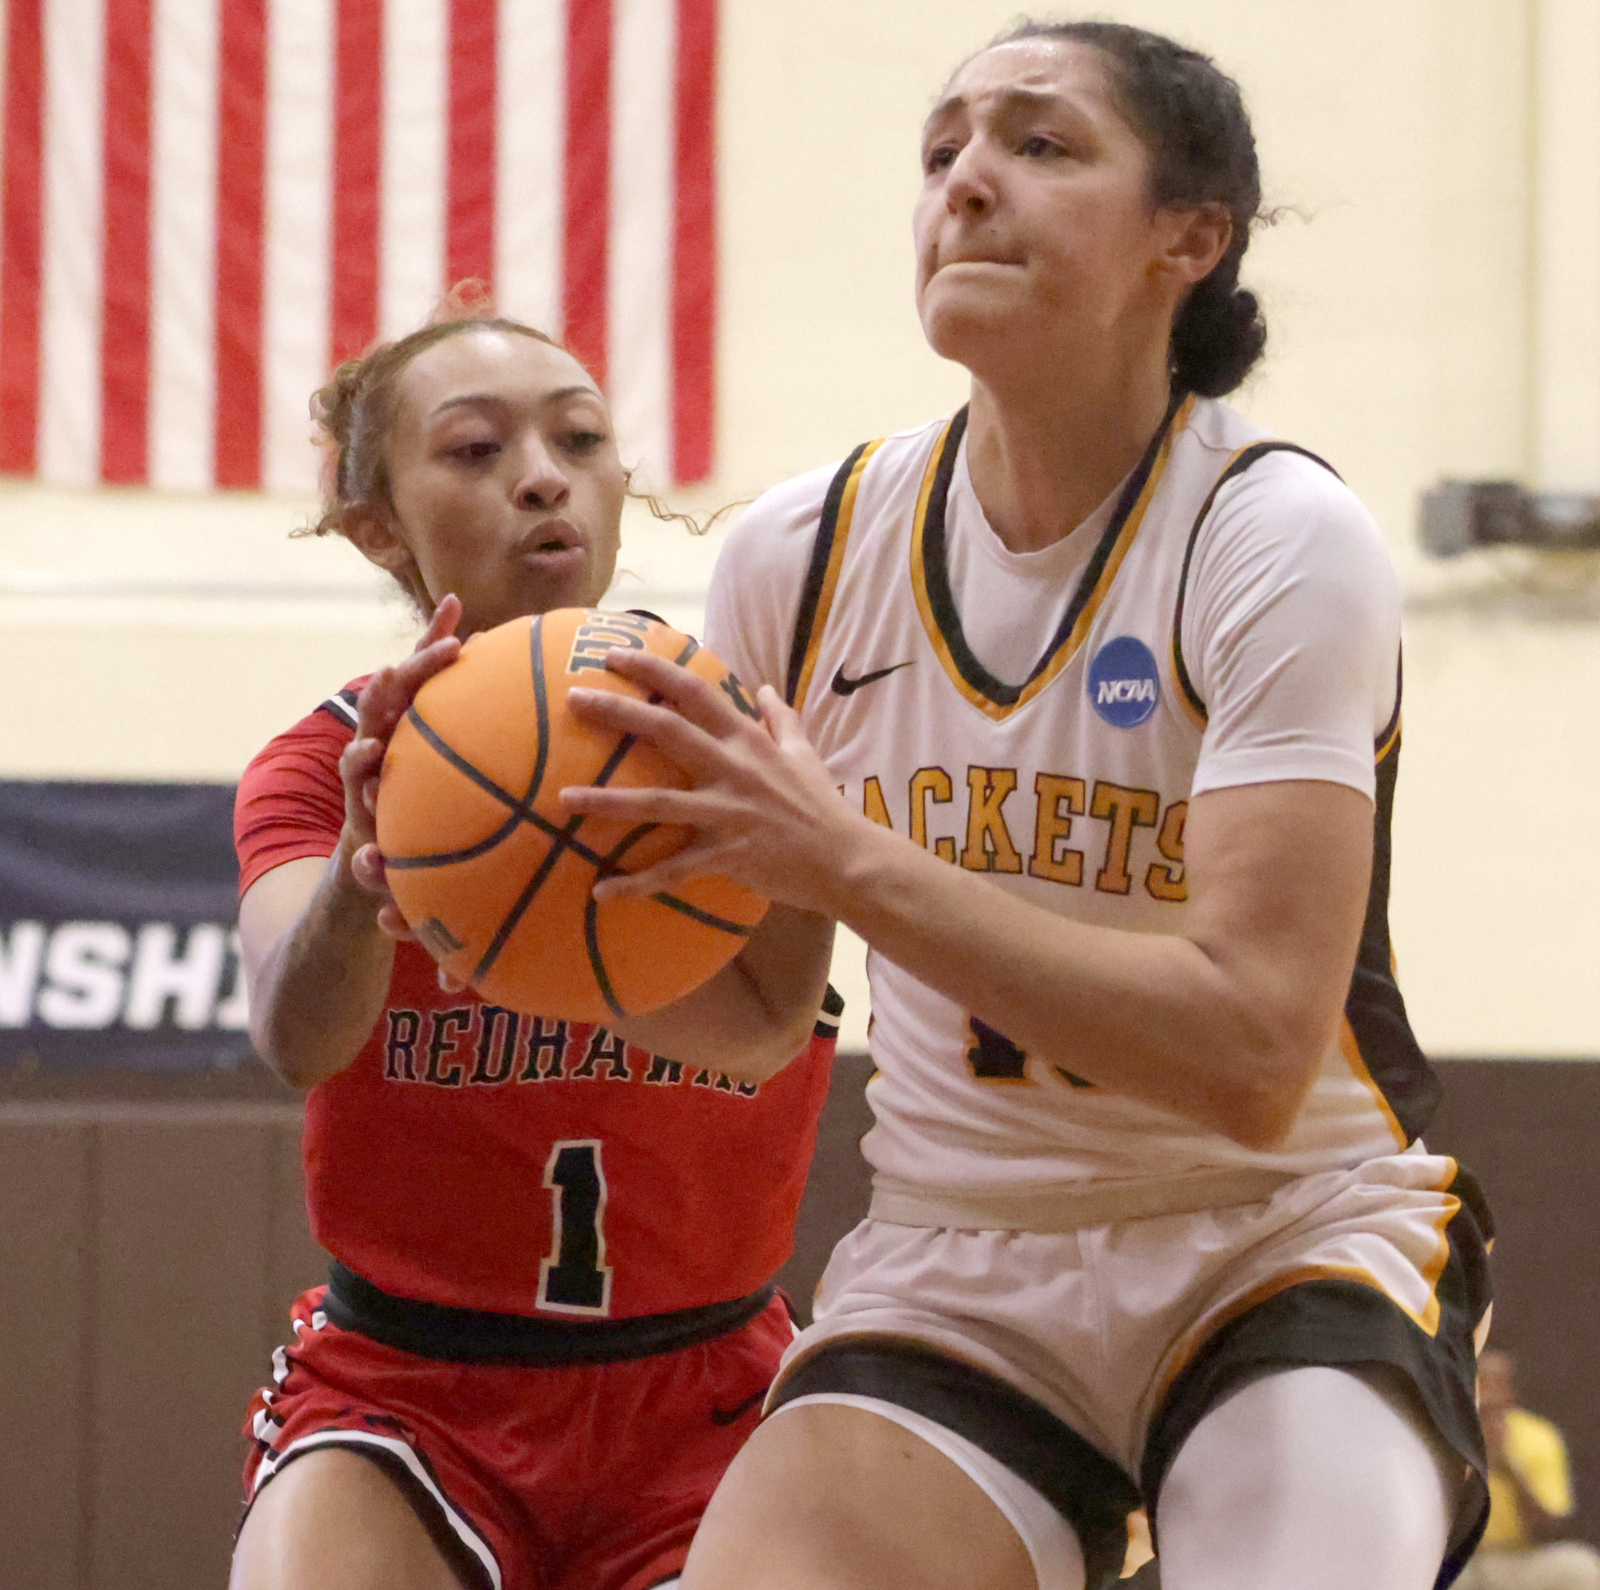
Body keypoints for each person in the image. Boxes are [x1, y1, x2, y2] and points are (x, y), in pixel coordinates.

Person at [557, 19, 1493, 1590]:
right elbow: (759, 1002)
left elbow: (1254, 1052)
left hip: (1284, 1232)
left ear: (1188, 237)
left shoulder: (1275, 538)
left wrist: (850, 858)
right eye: (941, 152)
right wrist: (520, 894)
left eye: (1040, 146)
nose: (967, 183)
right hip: (957, 1263)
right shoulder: (797, 551)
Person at [228, 300, 839, 1590]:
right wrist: (362, 873)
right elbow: (296, 1034)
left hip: (708, 1385)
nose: (543, 475)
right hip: (408, 1389)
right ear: (377, 522)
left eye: (580, 437)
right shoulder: (314, 767)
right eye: (473, 449)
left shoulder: (743, 741)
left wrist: (561, 920)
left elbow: (777, 1017)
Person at [1456, 1351, 1600, 1590]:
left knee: (1581, 1568)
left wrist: (1506, 1466)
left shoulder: (1539, 1436)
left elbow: (1548, 1530)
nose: (1488, 1396)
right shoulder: (1445, 1435)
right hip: (1466, 1561)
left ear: (1510, 1393)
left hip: (1523, 1559)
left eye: (1496, 1385)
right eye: (1480, 1384)